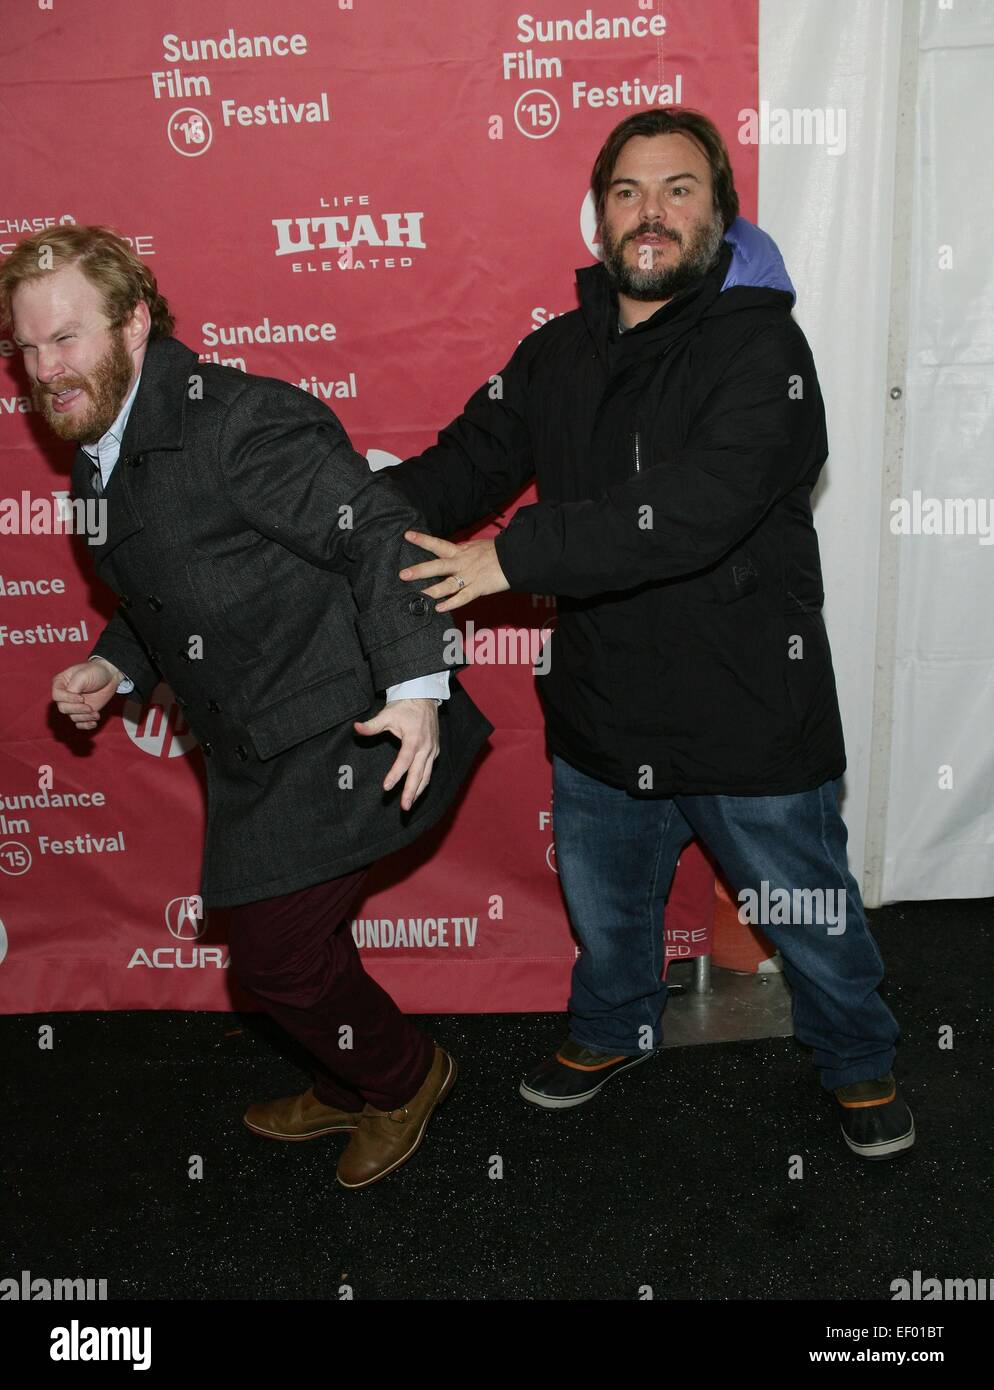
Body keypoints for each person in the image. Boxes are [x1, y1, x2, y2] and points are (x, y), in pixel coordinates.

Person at [389, 108, 914, 1160]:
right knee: (609, 904)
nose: (652, 213)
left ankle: (856, 1056)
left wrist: (518, 556)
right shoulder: (556, 351)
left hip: (746, 704)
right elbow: (466, 461)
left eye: (679, 189)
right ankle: (610, 1028)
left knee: (803, 904)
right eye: (628, 192)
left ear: (718, 209)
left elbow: (699, 503)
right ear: (600, 216)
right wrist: (354, 515)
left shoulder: (764, 343)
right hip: (602, 698)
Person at [1, 225, 493, 1189]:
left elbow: (380, 533)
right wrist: (114, 666)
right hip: (254, 746)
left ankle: (402, 1077)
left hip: (352, 722)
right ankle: (348, 1076)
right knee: (293, 947)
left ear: (136, 322)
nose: (48, 369)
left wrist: (415, 691)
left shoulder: (235, 422)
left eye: (68, 338)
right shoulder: (98, 459)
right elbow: (163, 596)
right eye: (28, 348)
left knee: (273, 959)